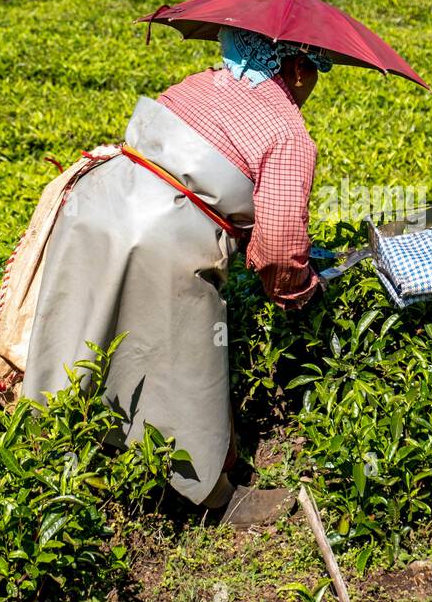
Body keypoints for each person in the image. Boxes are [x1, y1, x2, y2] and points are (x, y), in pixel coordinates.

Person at [19, 27, 333, 511]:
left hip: (95, 207)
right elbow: (280, 246)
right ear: (295, 68)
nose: (314, 84)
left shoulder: (200, 83)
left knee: (79, 334)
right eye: (317, 71)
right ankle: (212, 494)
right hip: (165, 239)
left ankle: (44, 461)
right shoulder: (289, 132)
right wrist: (298, 290)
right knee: (187, 363)